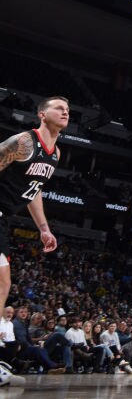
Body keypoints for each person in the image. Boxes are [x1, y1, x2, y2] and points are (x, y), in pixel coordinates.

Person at [0, 96, 67, 312]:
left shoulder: (55, 154)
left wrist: (44, 229)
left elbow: (35, 188)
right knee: (2, 283)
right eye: (58, 108)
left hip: (4, 219)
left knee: (3, 284)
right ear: (42, 114)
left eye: (67, 109)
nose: (65, 112)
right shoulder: (23, 142)